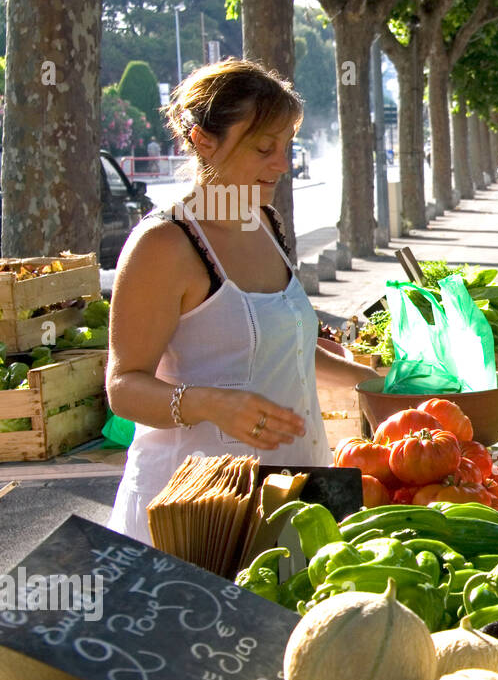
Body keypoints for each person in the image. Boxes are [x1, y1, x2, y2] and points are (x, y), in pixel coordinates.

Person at [105, 59, 379, 545]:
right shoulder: (164, 244)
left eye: (286, 147)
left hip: (292, 492)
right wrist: (212, 404)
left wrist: (381, 385)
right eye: (263, 148)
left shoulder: (267, 224)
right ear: (202, 140)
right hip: (193, 515)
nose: (282, 163)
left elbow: (289, 352)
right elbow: (123, 387)